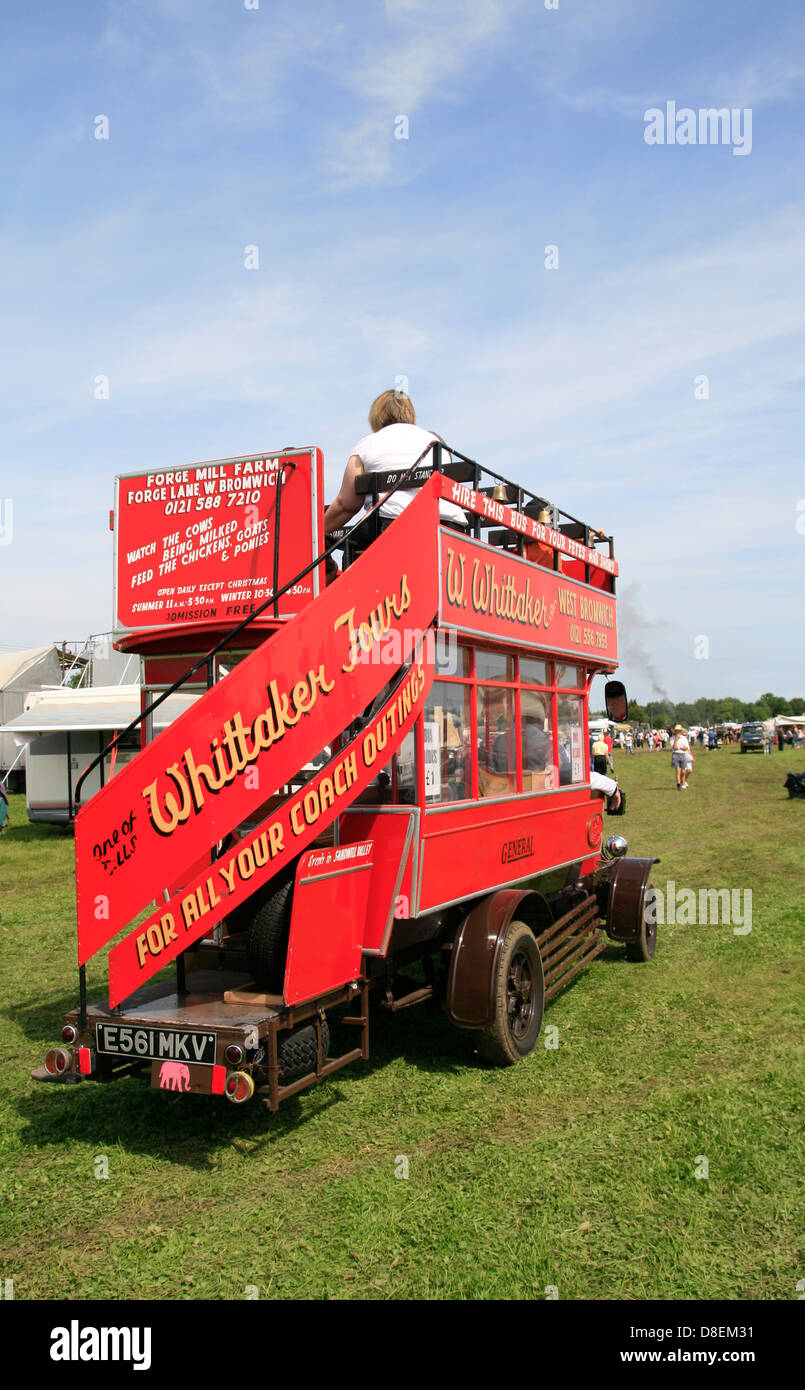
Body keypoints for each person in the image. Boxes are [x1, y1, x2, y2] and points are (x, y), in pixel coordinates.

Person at [323, 390, 467, 536]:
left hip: (393, 525)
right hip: (450, 526)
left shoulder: (367, 444)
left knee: (350, 546)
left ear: (377, 416)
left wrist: (315, 534)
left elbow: (346, 505)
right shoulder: (435, 442)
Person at [671, 724, 692, 790]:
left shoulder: (684, 738)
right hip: (676, 754)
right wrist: (676, 740)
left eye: (679, 731)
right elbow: (674, 747)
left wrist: (679, 747)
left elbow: (686, 748)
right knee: (678, 770)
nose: (678, 732)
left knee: (683, 771)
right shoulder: (672, 738)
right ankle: (678, 783)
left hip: (683, 755)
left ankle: (682, 780)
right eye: (676, 731)